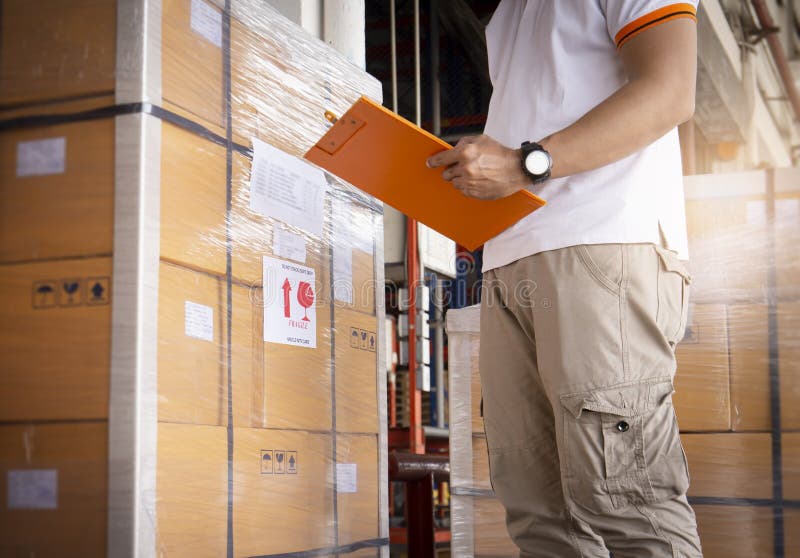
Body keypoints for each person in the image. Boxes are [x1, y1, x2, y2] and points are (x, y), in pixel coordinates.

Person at [427, 1, 702, 556]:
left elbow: (671, 88)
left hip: (601, 243)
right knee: (537, 512)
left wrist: (522, 164)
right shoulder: (509, 15)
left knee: (628, 499)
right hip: (512, 256)